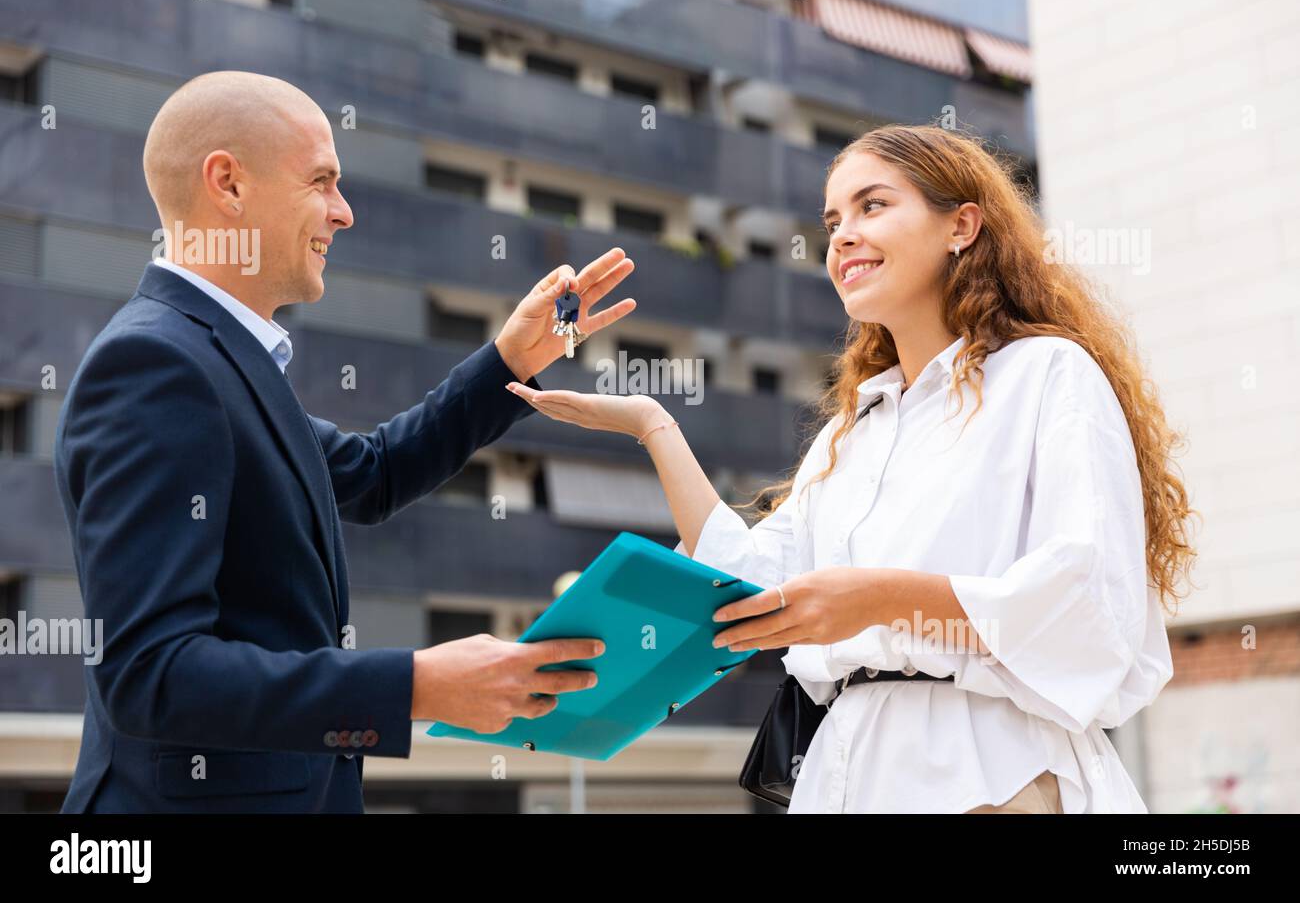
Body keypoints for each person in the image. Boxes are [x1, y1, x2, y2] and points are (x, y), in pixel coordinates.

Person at [505, 123, 1199, 813]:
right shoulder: (856, 427)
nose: (840, 236)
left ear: (961, 225)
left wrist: (877, 599)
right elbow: (748, 581)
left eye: (873, 206)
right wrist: (653, 427)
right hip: (847, 773)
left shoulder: (1046, 375)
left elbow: (1086, 599)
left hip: (989, 769)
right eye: (833, 219)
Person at [55, 71, 637, 812]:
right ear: (227, 185)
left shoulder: (218, 361)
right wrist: (420, 685)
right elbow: (149, 673)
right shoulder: (155, 366)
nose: (345, 212)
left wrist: (511, 363)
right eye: (323, 182)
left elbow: (376, 473)